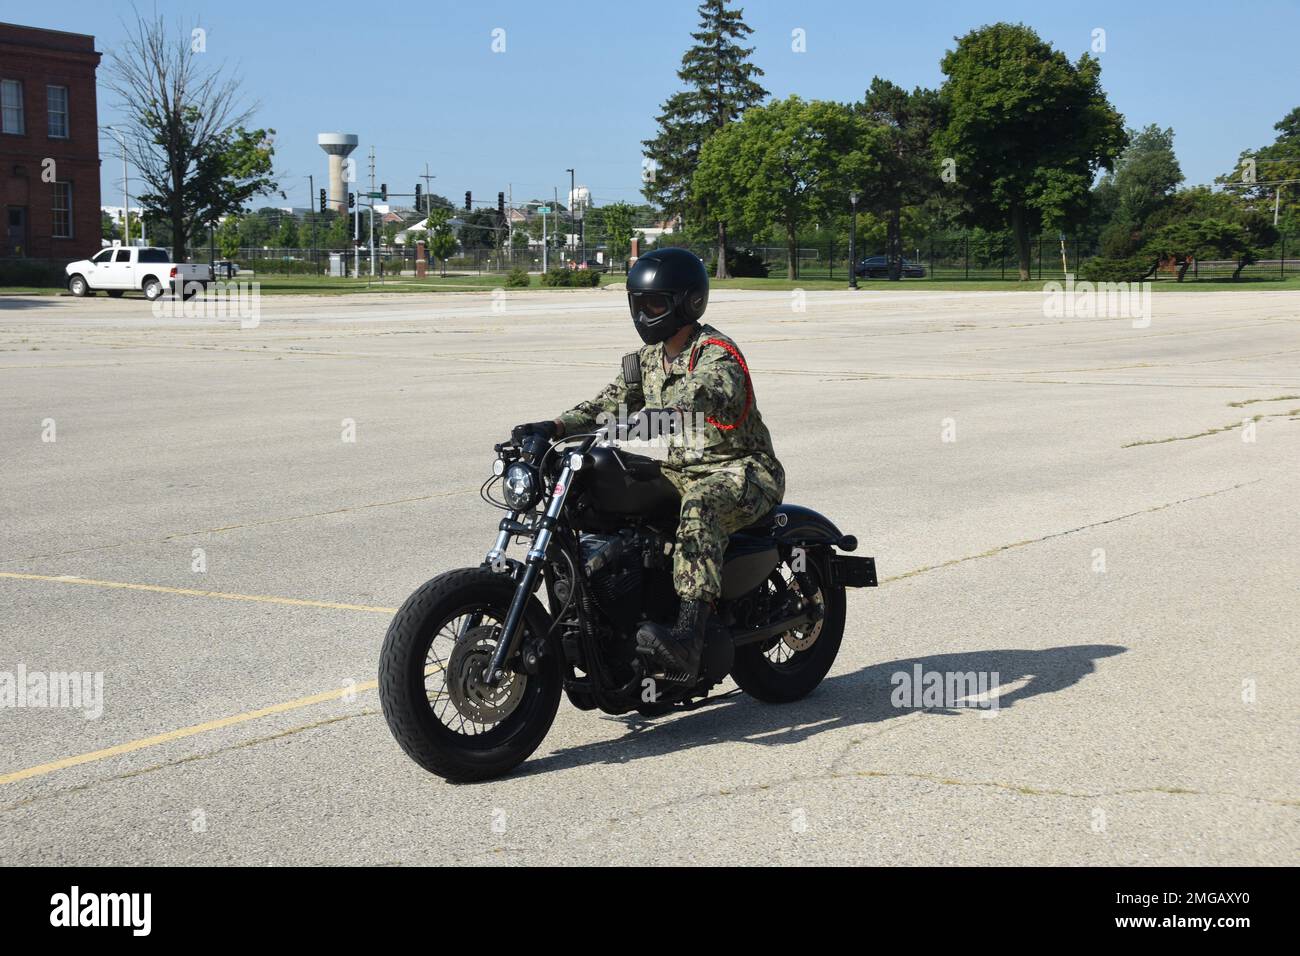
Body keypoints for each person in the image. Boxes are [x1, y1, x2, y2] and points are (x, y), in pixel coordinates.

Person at [511, 248, 784, 679]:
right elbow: (607, 404)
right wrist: (554, 426)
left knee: (700, 507)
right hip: (683, 471)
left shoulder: (716, 352)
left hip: (742, 469)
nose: (644, 313)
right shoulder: (647, 360)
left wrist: (654, 419)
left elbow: (704, 393)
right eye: (638, 304)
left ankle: (688, 638)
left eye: (654, 304)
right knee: (599, 487)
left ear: (687, 303)